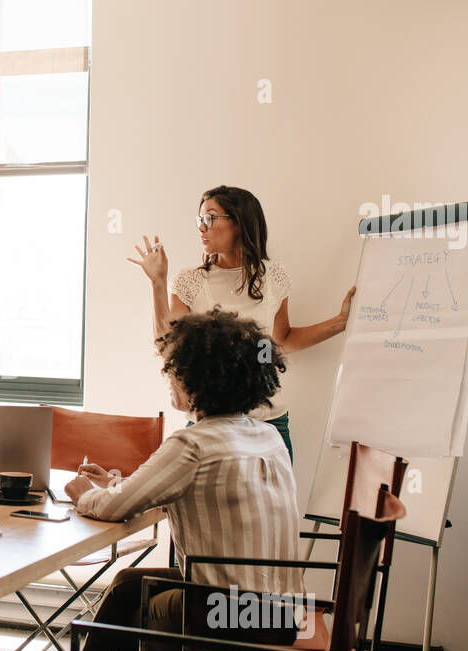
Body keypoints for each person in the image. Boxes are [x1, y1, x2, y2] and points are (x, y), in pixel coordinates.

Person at [31, 309, 305, 651]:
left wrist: (82, 493)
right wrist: (114, 485)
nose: (168, 379)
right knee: (128, 584)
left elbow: (113, 509)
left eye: (172, 371)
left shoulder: (193, 443)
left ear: (195, 380)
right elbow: (153, 490)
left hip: (231, 613)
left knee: (129, 606)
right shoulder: (265, 435)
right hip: (281, 610)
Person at [128, 185, 355, 462]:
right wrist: (158, 282)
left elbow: (281, 340)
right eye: (199, 219)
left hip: (268, 423)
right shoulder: (190, 281)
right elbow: (169, 349)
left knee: (276, 506)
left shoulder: (274, 277)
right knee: (208, 506)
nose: (202, 227)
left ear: (239, 221)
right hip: (210, 424)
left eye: (210, 218)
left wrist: (341, 322)